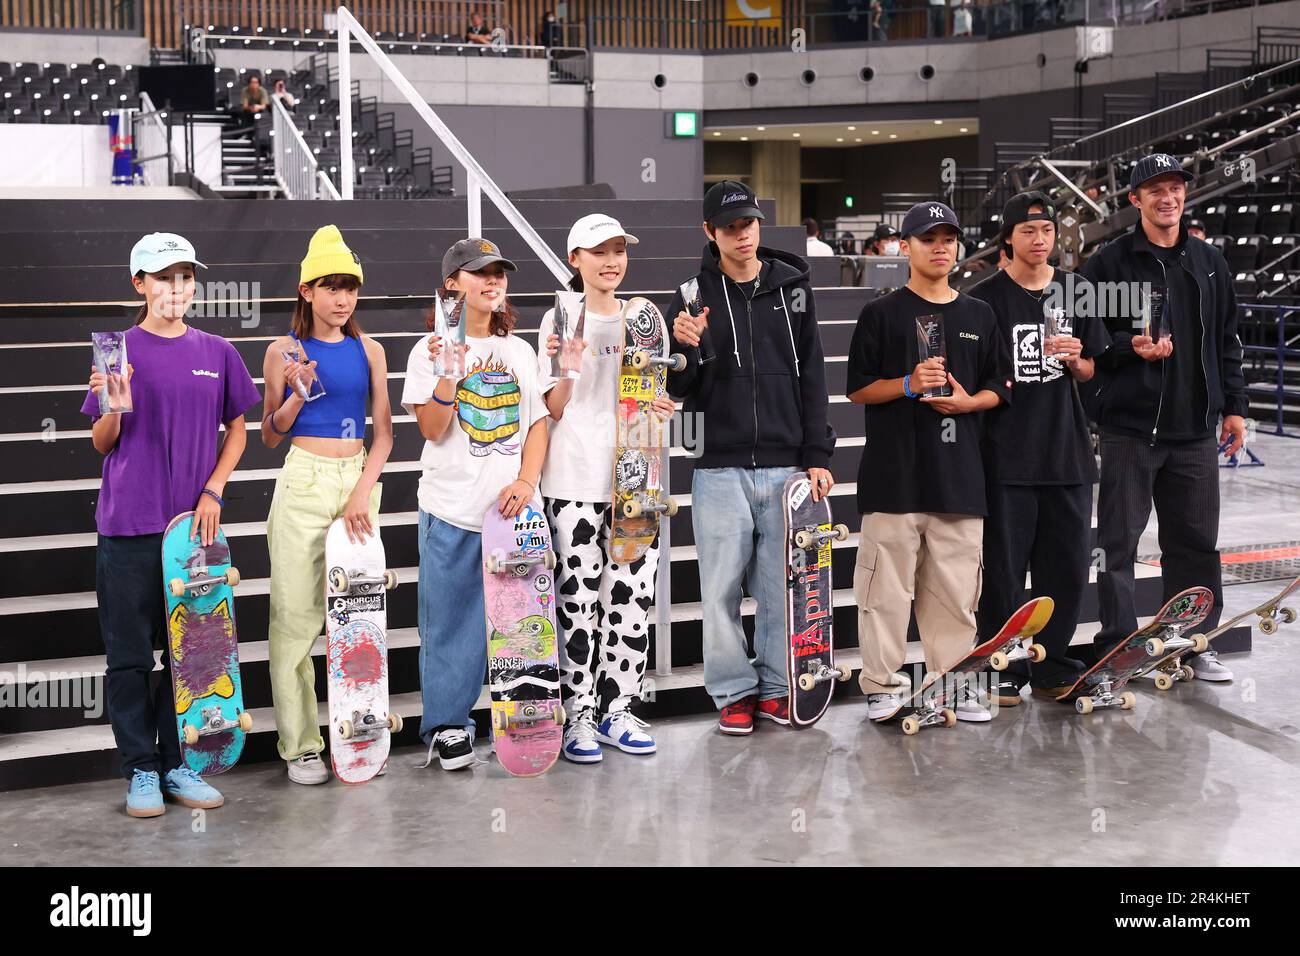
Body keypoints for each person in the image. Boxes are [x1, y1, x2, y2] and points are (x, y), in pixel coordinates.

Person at [83, 233, 259, 817]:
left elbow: (238, 429)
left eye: (185, 277)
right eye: (164, 278)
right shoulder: (117, 350)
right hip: (128, 528)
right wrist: (115, 404)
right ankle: (140, 771)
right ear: (140, 284)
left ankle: (179, 764)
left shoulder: (217, 350)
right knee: (130, 659)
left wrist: (214, 490)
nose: (177, 289)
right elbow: (101, 445)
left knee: (188, 657)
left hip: (192, 532)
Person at [666, 180, 836, 735]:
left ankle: (775, 688)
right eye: (730, 228)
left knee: (776, 588)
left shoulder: (794, 288)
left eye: (749, 224)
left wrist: (816, 453)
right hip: (718, 466)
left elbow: (813, 374)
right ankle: (734, 692)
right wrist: (683, 347)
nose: (742, 236)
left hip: (788, 464)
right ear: (709, 233)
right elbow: (683, 387)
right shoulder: (691, 295)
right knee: (718, 591)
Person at [845, 201, 1011, 722]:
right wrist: (907, 384)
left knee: (956, 594)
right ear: (906, 246)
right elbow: (857, 390)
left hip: (960, 479)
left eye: (948, 238)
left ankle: (954, 684)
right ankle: (882, 685)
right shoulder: (881, 312)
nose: (940, 247)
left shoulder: (980, 314)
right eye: (927, 238)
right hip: (894, 478)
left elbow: (1000, 390)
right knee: (884, 593)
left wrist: (968, 403)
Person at [1083, 153, 1247, 680]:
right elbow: (1084, 340)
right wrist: (1129, 348)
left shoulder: (1209, 261)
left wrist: (1236, 408)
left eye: (1175, 187)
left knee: (1195, 546)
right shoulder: (1109, 264)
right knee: (1117, 546)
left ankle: (1194, 642)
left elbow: (1228, 340)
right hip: (1130, 430)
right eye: (1155, 189)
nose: (1167, 197)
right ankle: (1117, 646)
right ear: (1135, 200)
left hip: (1195, 431)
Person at [402, 239, 549, 769]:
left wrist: (528, 481)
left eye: (498, 274)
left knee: (520, 625)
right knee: (450, 623)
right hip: (450, 508)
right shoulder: (428, 351)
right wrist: (449, 373)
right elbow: (432, 427)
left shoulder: (522, 351)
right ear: (451, 285)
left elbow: (536, 422)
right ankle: (448, 726)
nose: (493, 282)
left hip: (512, 515)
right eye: (479, 273)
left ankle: (520, 716)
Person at [536, 214, 675, 764]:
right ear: (575, 259)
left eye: (619, 250)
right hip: (572, 478)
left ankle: (620, 709)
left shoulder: (645, 318)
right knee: (577, 603)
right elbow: (553, 406)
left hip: (635, 482)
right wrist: (569, 360)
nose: (611, 261)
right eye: (599, 252)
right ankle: (580, 718)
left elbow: (651, 404)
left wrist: (664, 408)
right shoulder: (557, 317)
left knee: (632, 602)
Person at [260, 226, 393, 785]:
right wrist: (294, 393)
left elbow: (384, 434)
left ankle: (358, 734)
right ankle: (302, 746)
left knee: (358, 619)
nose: (342, 299)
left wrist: (362, 490)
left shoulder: (370, 349)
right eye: (331, 288)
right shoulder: (282, 351)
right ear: (306, 290)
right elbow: (269, 434)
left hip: (357, 483)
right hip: (303, 484)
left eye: (350, 289)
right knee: (295, 620)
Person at [968, 193, 1109, 704]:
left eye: (1047, 230)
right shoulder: (984, 299)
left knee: (1066, 569)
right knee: (1004, 572)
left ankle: (1052, 666)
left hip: (1067, 453)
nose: (1039, 239)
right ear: (1008, 237)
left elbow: (1094, 368)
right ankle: (1001, 666)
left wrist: (1077, 360)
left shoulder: (1078, 290)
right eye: (1028, 231)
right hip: (1005, 456)